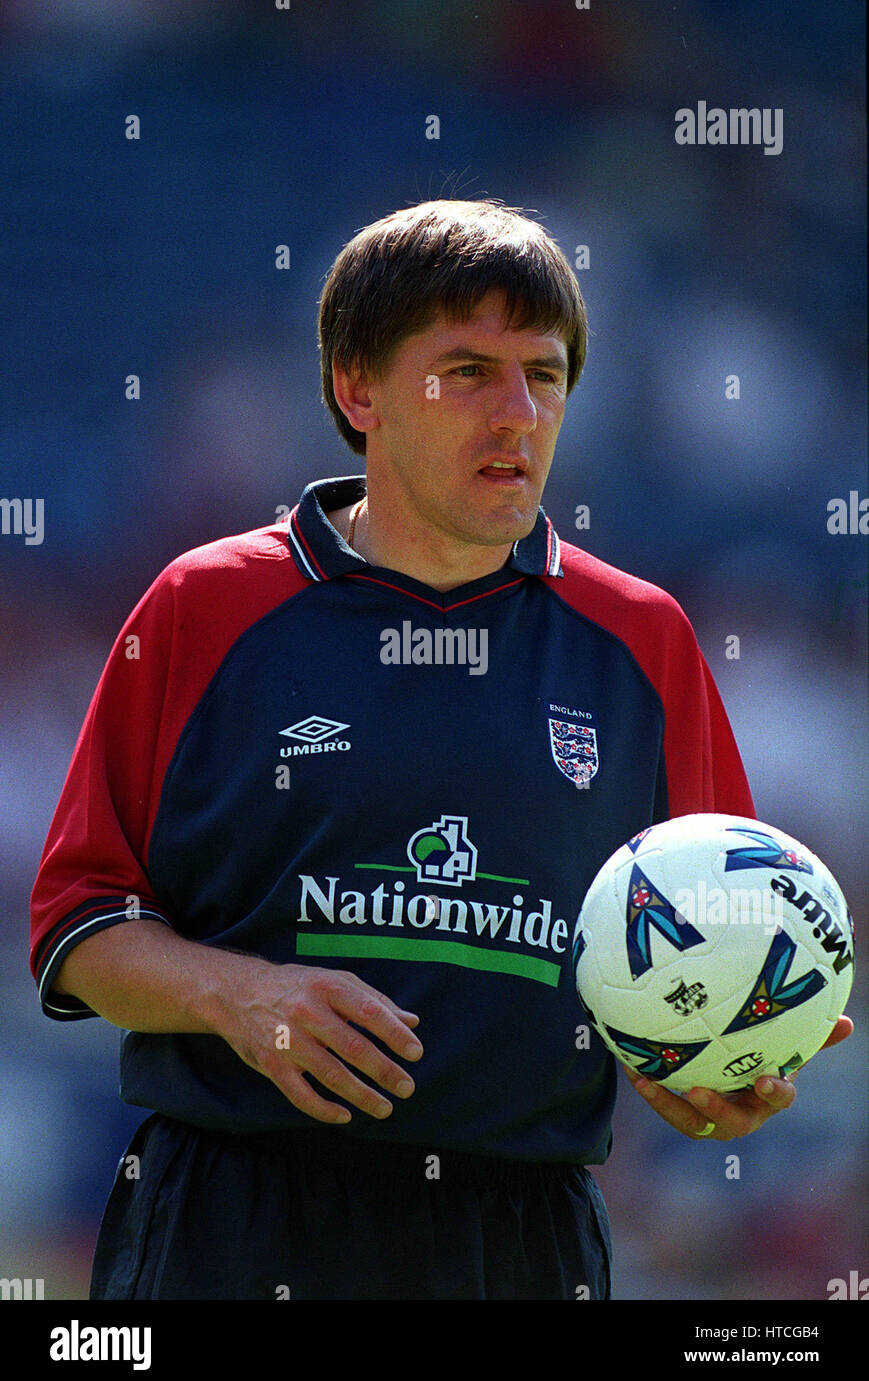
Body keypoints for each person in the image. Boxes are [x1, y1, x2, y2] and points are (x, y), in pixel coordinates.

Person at [30, 199, 851, 1301]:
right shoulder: (204, 606)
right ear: (356, 390)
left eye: (543, 375)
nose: (516, 412)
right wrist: (241, 994)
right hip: (235, 1218)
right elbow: (76, 924)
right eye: (465, 370)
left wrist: (703, 1058)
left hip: (523, 1238)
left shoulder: (640, 638)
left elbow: (703, 929)